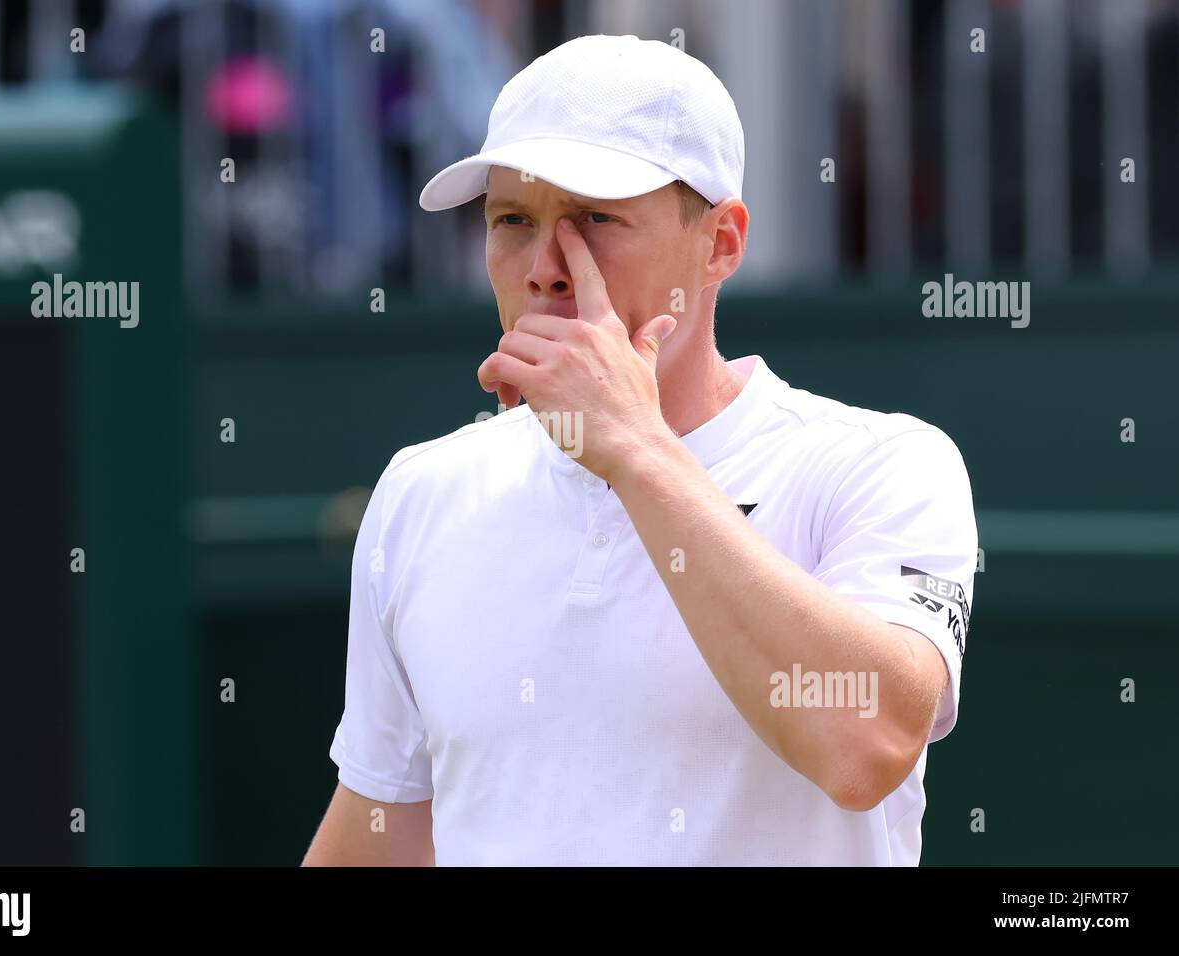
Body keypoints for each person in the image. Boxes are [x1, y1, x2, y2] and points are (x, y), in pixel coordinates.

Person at [303, 34, 976, 866]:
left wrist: (634, 449)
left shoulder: (880, 464)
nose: (546, 267)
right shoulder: (424, 490)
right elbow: (383, 831)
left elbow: (866, 745)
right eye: (513, 220)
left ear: (721, 243)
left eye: (596, 218)